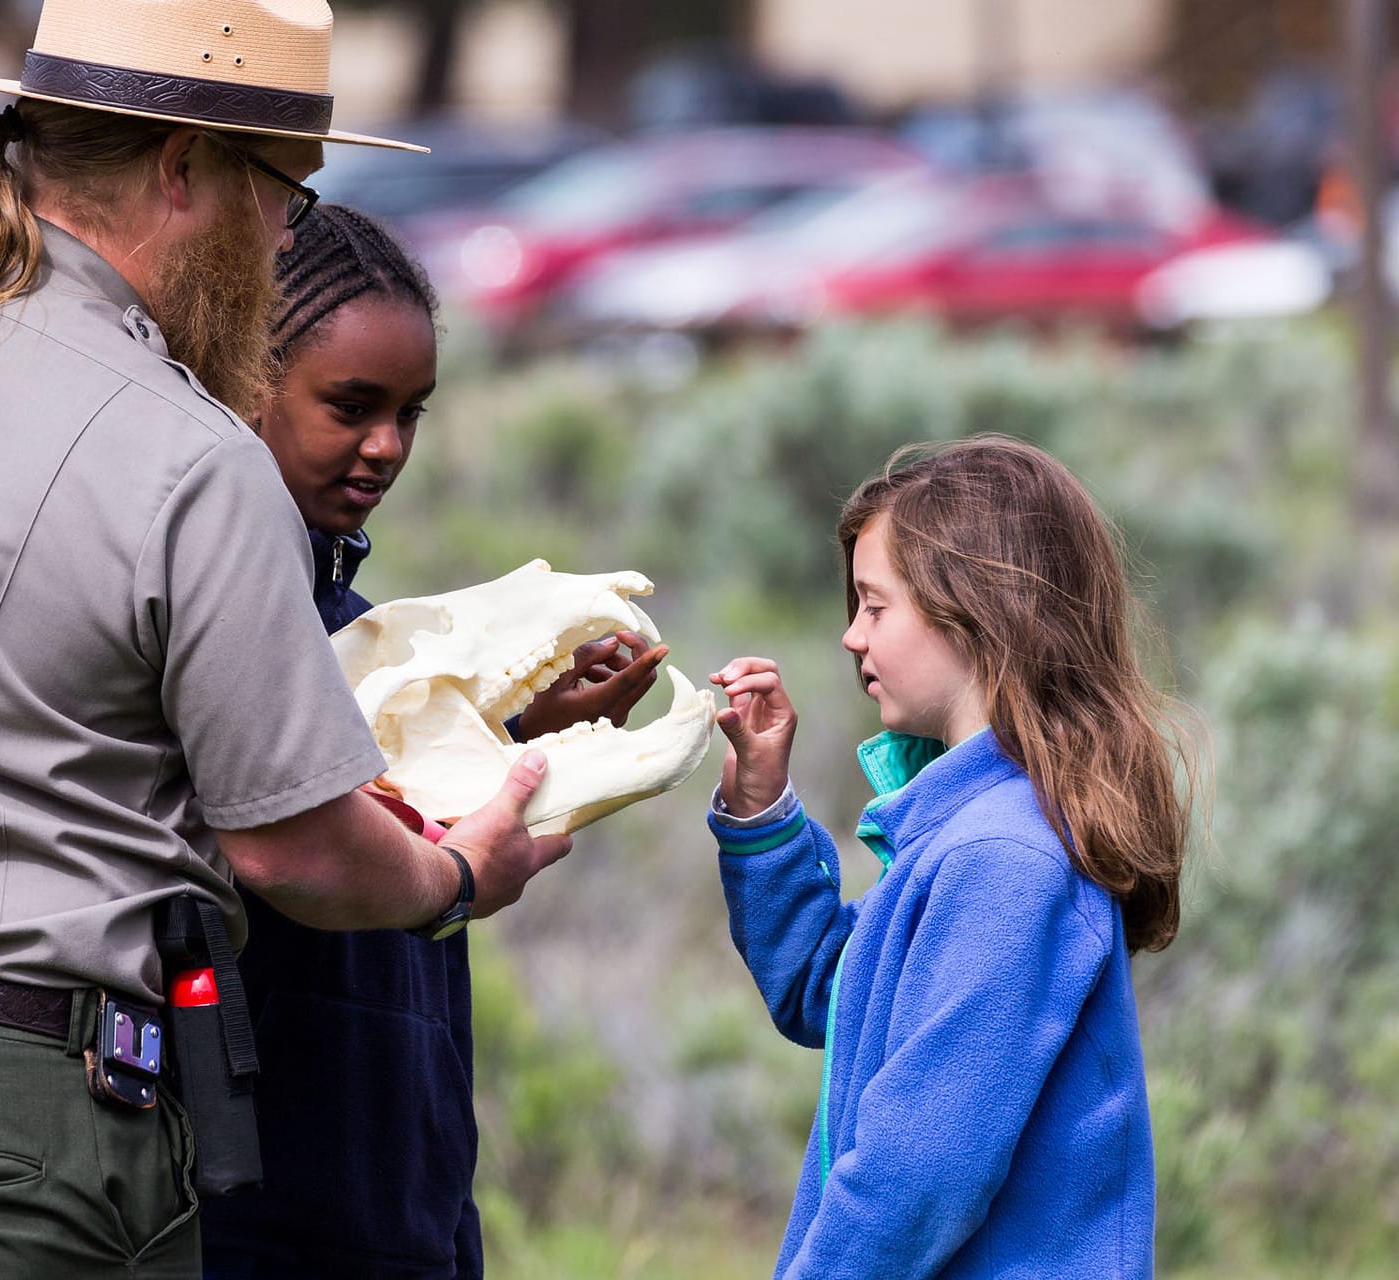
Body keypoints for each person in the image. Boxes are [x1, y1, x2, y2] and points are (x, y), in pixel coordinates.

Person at [0, 4, 573, 1276]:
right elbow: (291, 843)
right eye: (284, 194)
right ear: (185, 168)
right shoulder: (188, 453)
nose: (285, 235)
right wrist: (458, 877)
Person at [197, 204, 667, 1278]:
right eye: (352, 405)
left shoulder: (349, 625)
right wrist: (456, 870)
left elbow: (376, 803)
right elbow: (295, 848)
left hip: (399, 1194)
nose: (387, 446)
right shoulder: (214, 630)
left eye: (412, 413)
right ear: (241, 382)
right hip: (267, 1213)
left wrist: (508, 738)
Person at [707, 436, 1193, 1279]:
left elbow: (917, 1175)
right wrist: (762, 811)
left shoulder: (1004, 856)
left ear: (976, 606)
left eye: (875, 605)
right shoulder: (968, 832)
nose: (851, 636)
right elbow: (830, 991)